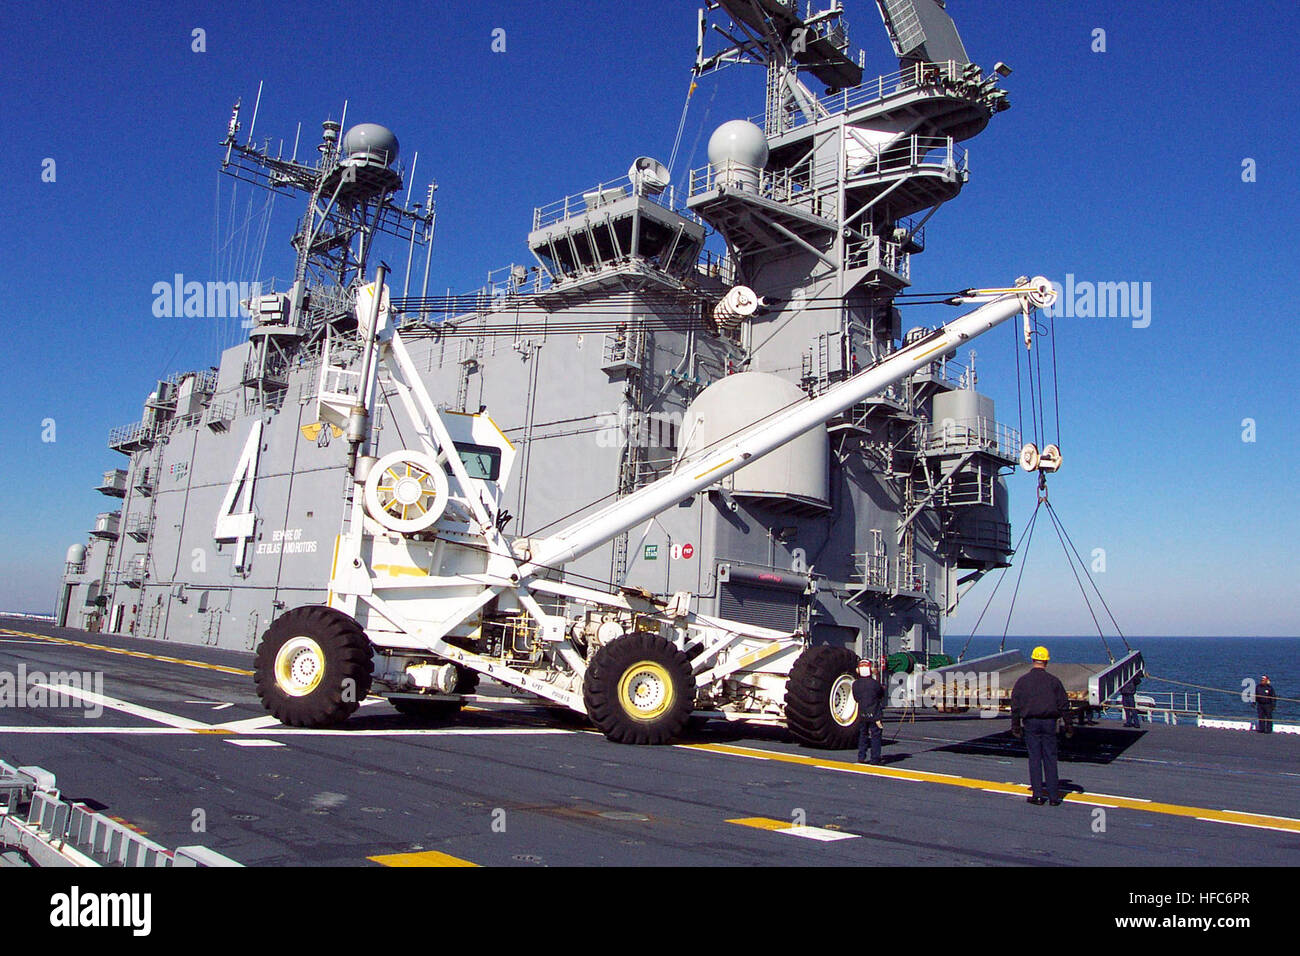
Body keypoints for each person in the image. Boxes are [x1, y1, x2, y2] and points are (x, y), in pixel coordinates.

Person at [1010, 645, 1073, 806]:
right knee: (1050, 758)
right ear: (1046, 661)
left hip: (1031, 724)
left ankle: (1037, 795)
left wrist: (1016, 727)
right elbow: (1064, 705)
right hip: (1049, 723)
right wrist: (1069, 726)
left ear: (1032, 660)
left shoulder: (1022, 681)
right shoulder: (1054, 681)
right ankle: (1054, 797)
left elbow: (1015, 706)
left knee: (1035, 758)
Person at [853, 659, 885, 765]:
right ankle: (875, 758)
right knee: (876, 735)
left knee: (863, 735)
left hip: (862, 713)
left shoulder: (855, 684)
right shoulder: (874, 684)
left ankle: (861, 757)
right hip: (875, 713)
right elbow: (881, 694)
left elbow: (856, 698)